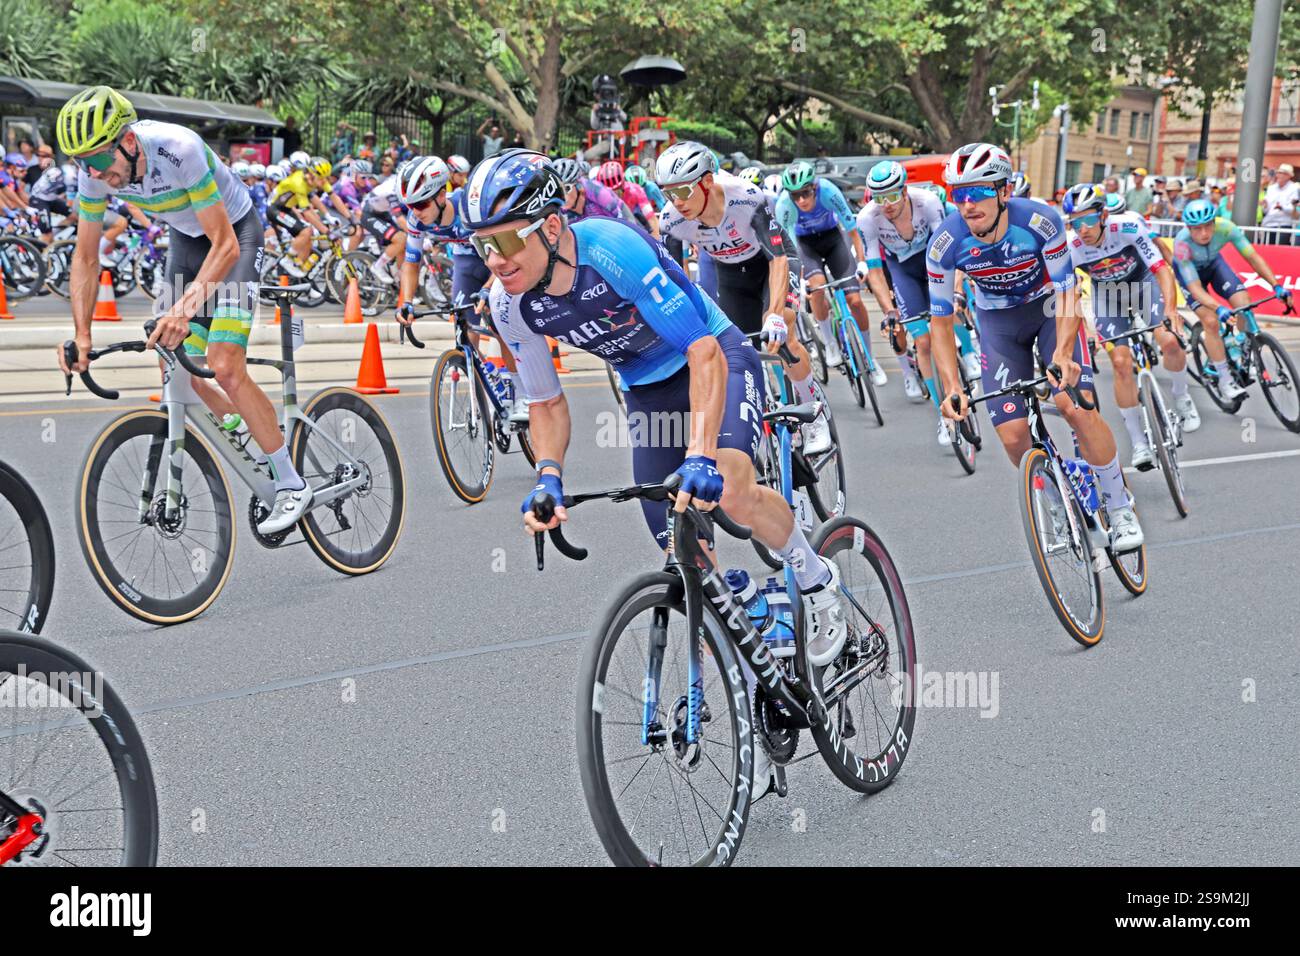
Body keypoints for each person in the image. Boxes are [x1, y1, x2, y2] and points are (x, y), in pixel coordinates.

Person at [441, 150, 847, 798]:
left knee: (731, 485)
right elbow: (544, 402)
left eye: (509, 239)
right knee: (684, 554)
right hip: (647, 390)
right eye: (483, 245)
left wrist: (702, 453)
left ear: (550, 226)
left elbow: (703, 351)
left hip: (714, 359)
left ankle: (814, 576)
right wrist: (547, 475)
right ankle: (749, 685)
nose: (496, 259)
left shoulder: (613, 251)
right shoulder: (509, 303)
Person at [55, 86, 310, 535]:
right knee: (171, 359)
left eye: (97, 161)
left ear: (128, 143)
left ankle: (290, 483)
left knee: (223, 363)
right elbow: (86, 257)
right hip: (185, 241)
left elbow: (226, 245)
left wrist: (186, 308)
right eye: (82, 164)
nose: (93, 173)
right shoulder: (94, 175)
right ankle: (237, 418)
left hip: (235, 234)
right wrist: (84, 335)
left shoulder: (179, 148)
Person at [929, 143, 1144, 553]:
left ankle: (1119, 508)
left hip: (1049, 310)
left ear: (1004, 191)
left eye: (977, 192)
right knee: (1012, 436)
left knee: (1073, 406)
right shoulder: (944, 243)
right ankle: (1056, 507)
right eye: (959, 195)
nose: (967, 204)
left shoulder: (1040, 221)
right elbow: (940, 320)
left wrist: (1062, 353)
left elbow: (1068, 292)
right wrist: (951, 384)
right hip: (998, 324)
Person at [655, 141, 832, 453]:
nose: (675, 202)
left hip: (772, 262)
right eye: (667, 193)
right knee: (738, 350)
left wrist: (775, 312)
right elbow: (676, 280)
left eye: (682, 191)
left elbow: (777, 257)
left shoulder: (746, 197)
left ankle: (813, 411)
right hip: (732, 274)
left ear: (707, 181)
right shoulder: (671, 220)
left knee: (782, 332)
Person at [1062, 183, 1199, 469]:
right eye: (1075, 223)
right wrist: (1086, 329)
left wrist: (1171, 310)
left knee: (1170, 340)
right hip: (1106, 296)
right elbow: (1069, 295)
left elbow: (1162, 269)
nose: (1082, 229)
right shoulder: (1071, 247)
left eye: (1088, 219)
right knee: (1121, 363)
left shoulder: (1127, 226)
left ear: (1102, 215)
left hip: (1143, 285)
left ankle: (1181, 394)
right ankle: (1139, 443)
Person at [857, 161, 981, 444]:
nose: (885, 204)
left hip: (935, 260)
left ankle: (970, 354)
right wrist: (889, 310)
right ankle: (944, 415)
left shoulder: (928, 203)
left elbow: (951, 251)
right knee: (923, 343)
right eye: (878, 198)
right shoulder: (867, 218)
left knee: (948, 315)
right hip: (903, 270)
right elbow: (875, 269)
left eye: (890, 195)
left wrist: (957, 290)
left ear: (904, 191)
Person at [774, 160, 884, 384]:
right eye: (796, 196)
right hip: (805, 245)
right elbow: (789, 249)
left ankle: (870, 359)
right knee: (816, 287)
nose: (801, 201)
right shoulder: (784, 205)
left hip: (833, 239)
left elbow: (852, 230)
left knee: (854, 300)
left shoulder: (829, 191)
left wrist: (861, 262)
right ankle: (830, 343)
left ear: (814, 187)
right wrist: (798, 279)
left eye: (805, 193)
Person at [1173, 200, 1293, 400]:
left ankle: (1243, 347)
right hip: (1191, 277)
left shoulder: (1227, 228)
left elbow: (1253, 258)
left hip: (1214, 265)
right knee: (1211, 322)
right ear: (1188, 228)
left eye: (1208, 225)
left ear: (1215, 222)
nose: (1204, 233)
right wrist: (1218, 308)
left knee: (1244, 304)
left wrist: (1276, 285)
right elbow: (1194, 287)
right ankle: (1224, 378)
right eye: (1197, 229)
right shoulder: (1181, 244)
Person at [595, 161, 659, 237]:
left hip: (631, 220)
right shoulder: (596, 195)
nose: (615, 196)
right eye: (609, 194)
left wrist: (655, 239)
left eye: (618, 191)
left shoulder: (635, 190)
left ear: (623, 184)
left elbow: (651, 217)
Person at [1260, 163, 1299, 245]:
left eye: (1282, 173)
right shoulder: (1271, 188)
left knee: (1280, 249)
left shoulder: (1294, 188)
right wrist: (1265, 205)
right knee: (1267, 249)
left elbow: (1293, 207)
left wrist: (1282, 207)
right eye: (1279, 173)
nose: (1279, 175)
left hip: (1284, 224)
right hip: (1269, 223)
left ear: (1289, 176)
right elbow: (1266, 210)